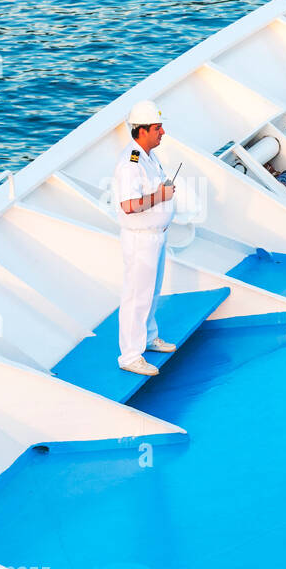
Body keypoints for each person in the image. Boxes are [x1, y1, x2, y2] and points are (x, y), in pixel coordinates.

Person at [111, 100, 178, 377]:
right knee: (137, 295)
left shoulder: (147, 157)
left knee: (152, 291)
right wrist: (160, 196)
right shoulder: (130, 163)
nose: (162, 132)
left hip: (155, 237)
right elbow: (128, 205)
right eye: (158, 128)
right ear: (142, 131)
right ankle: (130, 355)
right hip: (141, 240)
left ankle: (149, 337)